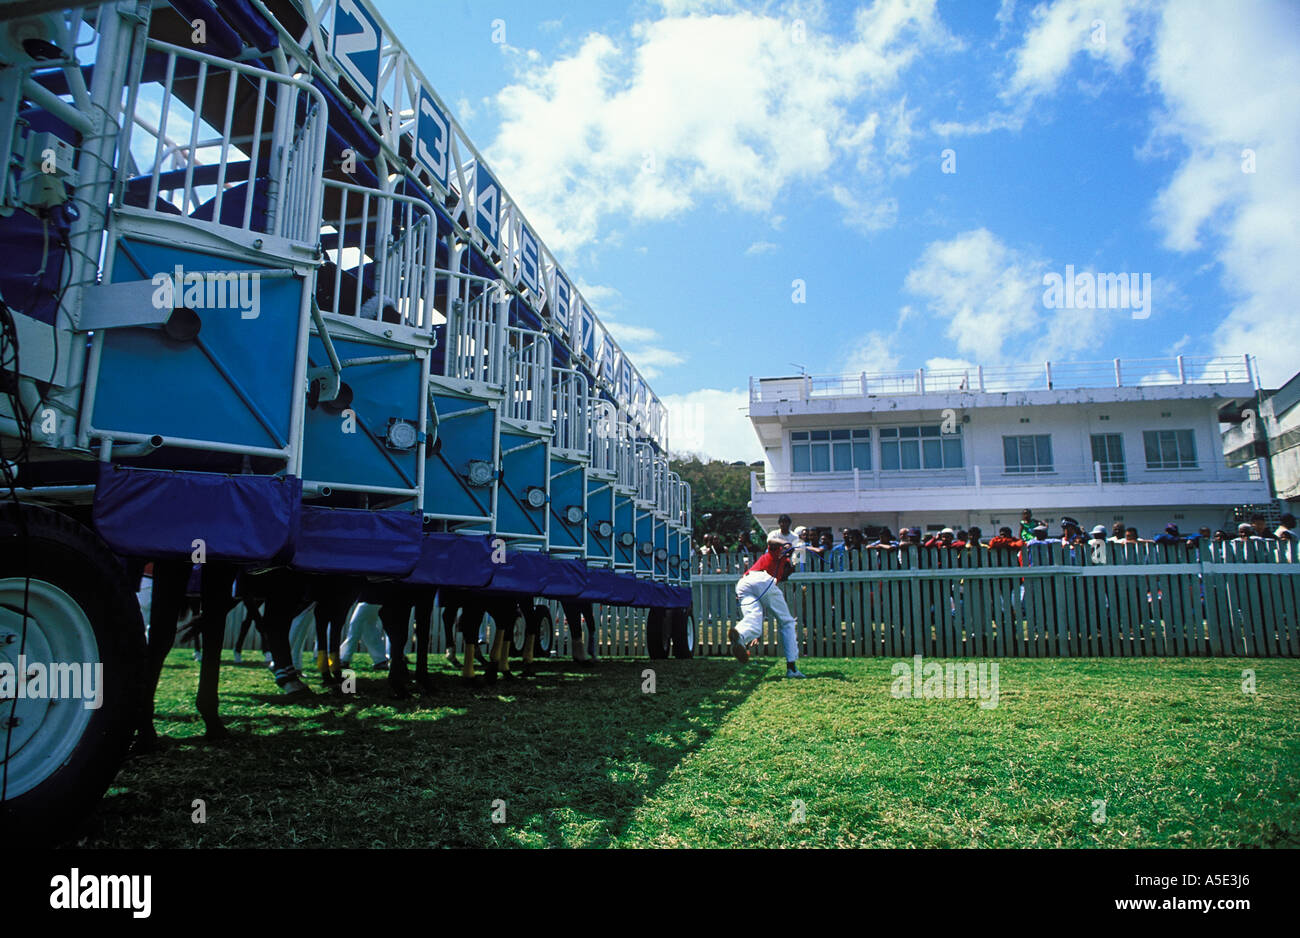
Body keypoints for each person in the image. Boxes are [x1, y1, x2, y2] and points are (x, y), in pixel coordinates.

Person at [729, 532, 806, 679]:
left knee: (754, 618)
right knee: (787, 622)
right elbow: (771, 540)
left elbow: (785, 574)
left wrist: (790, 555)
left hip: (744, 584)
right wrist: (785, 545)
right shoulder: (775, 552)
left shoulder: (784, 561)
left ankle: (740, 635)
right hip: (762, 580)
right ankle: (792, 668)